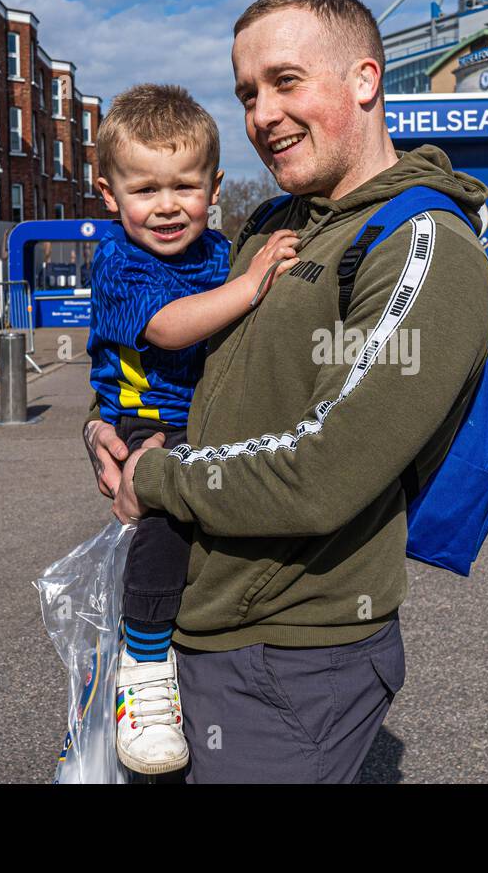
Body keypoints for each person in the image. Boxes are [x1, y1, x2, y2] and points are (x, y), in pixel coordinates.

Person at [82, 0, 488, 783]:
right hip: (192, 626)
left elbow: (323, 472)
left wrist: (157, 477)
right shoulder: (277, 225)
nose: (262, 113)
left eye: (286, 81)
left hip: (289, 654)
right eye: (247, 93)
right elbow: (179, 362)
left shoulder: (419, 246)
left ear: (366, 81)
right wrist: (105, 430)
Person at [86, 83, 299, 775]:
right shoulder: (123, 261)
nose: (168, 205)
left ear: (214, 185)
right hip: (149, 421)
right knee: (167, 520)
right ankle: (143, 664)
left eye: (185, 185)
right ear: (110, 195)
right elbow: (169, 326)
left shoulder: (218, 250)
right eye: (145, 189)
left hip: (210, 416)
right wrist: (254, 283)